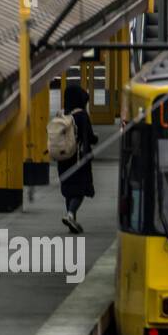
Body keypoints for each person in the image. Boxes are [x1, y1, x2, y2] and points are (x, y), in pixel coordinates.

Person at [57, 82, 97, 233]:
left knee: (69, 190)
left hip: (63, 159)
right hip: (79, 159)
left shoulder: (62, 114)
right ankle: (70, 214)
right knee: (80, 190)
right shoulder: (81, 115)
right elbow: (90, 137)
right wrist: (94, 139)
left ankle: (72, 221)